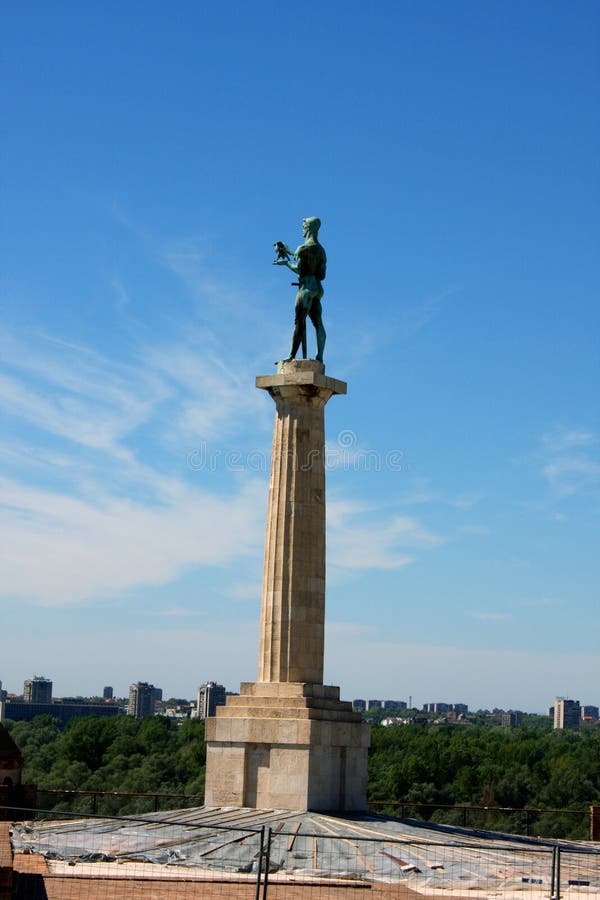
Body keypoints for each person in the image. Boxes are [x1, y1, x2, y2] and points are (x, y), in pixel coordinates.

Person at [273, 217, 327, 363]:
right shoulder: (321, 250)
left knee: (299, 322)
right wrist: (288, 250)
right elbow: (321, 275)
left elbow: (299, 269)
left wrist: (286, 263)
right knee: (318, 323)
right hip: (317, 288)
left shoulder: (302, 249)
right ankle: (319, 356)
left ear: (309, 227)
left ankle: (291, 355)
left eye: (303, 226)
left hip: (305, 289)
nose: (302, 229)